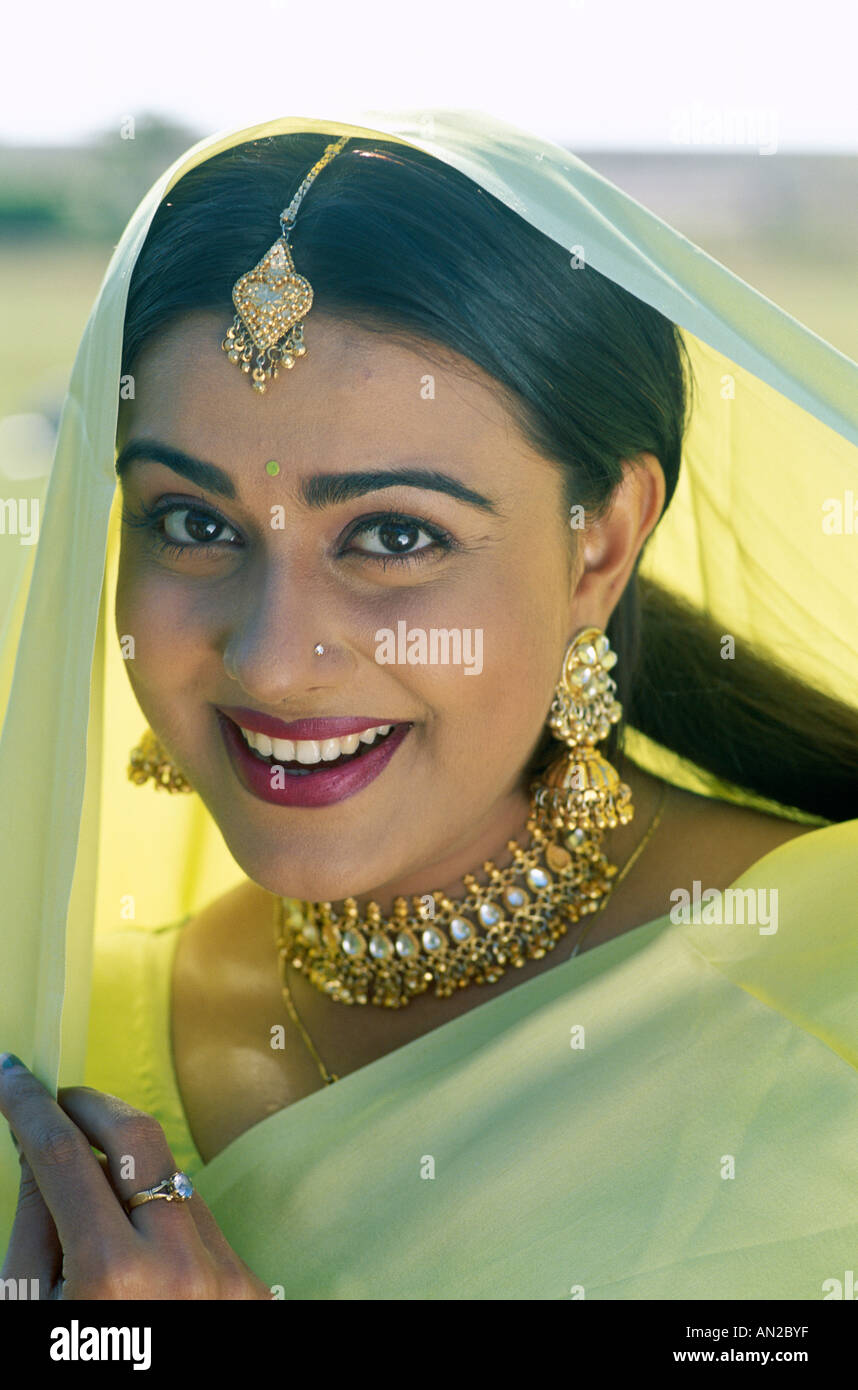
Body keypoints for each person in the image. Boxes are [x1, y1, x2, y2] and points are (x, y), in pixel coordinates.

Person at [0, 109, 856, 1301]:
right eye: (194, 525)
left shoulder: (826, 990)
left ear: (599, 548)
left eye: (394, 535)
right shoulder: (54, 1026)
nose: (274, 660)